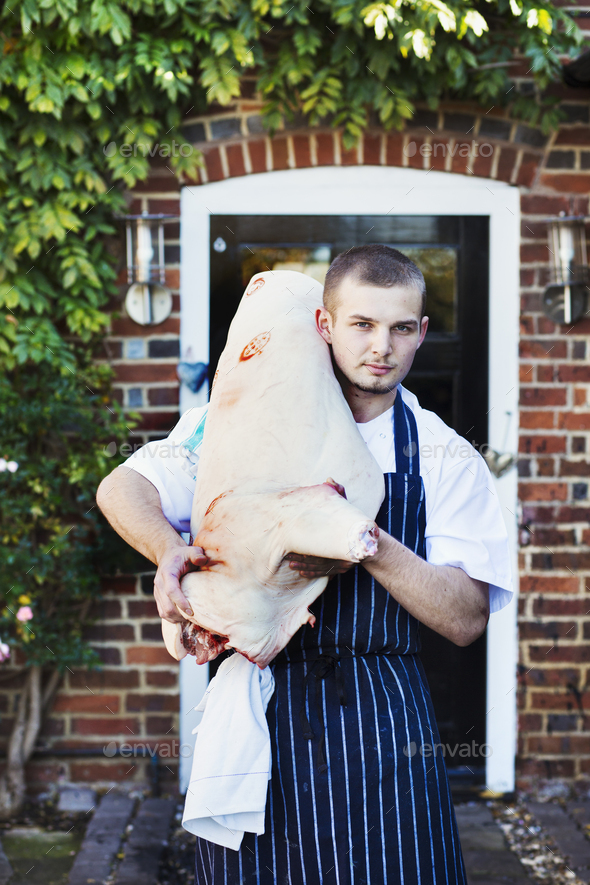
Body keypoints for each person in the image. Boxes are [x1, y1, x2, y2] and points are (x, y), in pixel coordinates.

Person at [97, 244, 513, 884]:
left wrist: (360, 539)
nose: (382, 347)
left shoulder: (444, 454)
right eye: (362, 325)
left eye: (402, 328)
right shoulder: (238, 422)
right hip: (259, 707)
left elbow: (464, 618)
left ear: (422, 333)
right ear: (325, 325)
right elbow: (122, 489)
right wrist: (165, 549)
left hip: (382, 718)